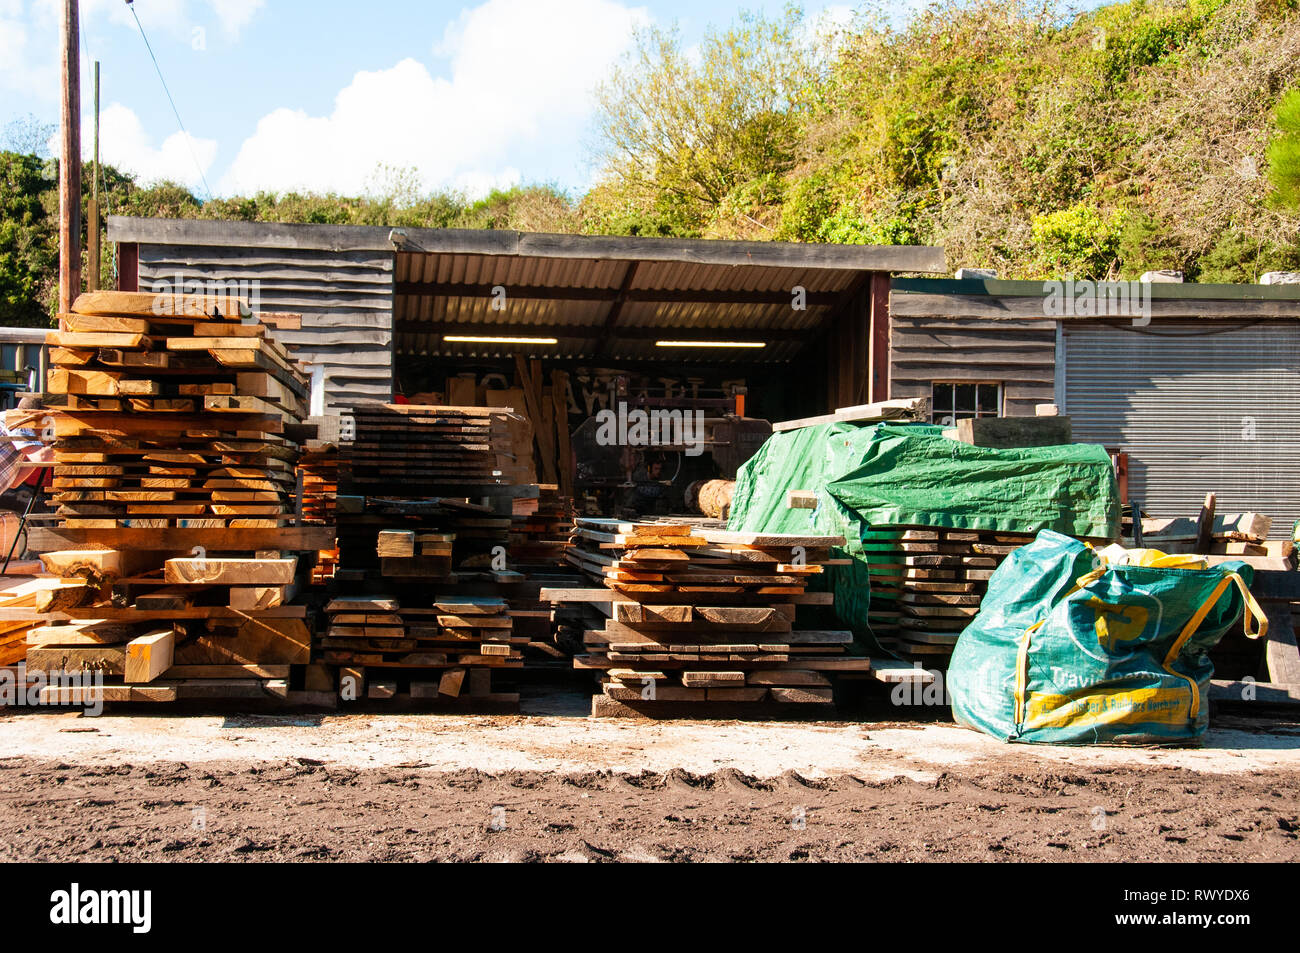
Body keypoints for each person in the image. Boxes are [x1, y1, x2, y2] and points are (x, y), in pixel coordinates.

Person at [0, 396, 53, 498]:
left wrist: (43, 443)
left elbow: (14, 483)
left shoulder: (21, 443)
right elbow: (42, 457)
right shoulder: (18, 421)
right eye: (47, 423)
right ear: (35, 417)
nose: (47, 429)